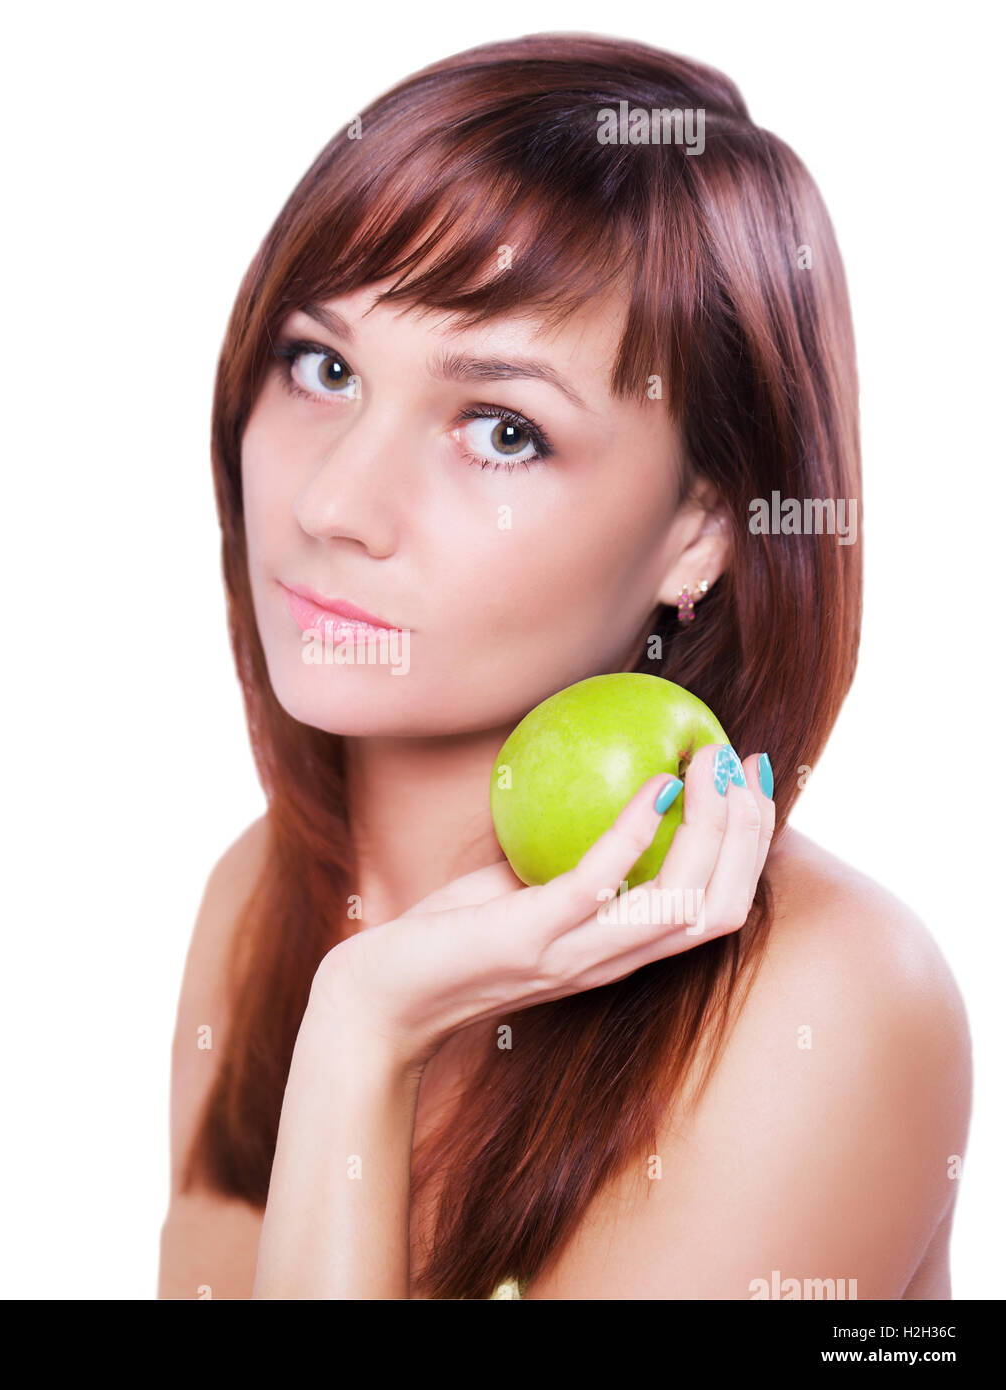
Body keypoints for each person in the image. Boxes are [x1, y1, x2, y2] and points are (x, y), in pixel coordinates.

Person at [159, 33, 971, 1300]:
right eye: (324, 367)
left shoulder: (830, 1002)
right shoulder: (266, 892)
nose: (335, 501)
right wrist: (351, 1011)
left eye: (501, 428)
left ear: (702, 528)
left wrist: (363, 1041)